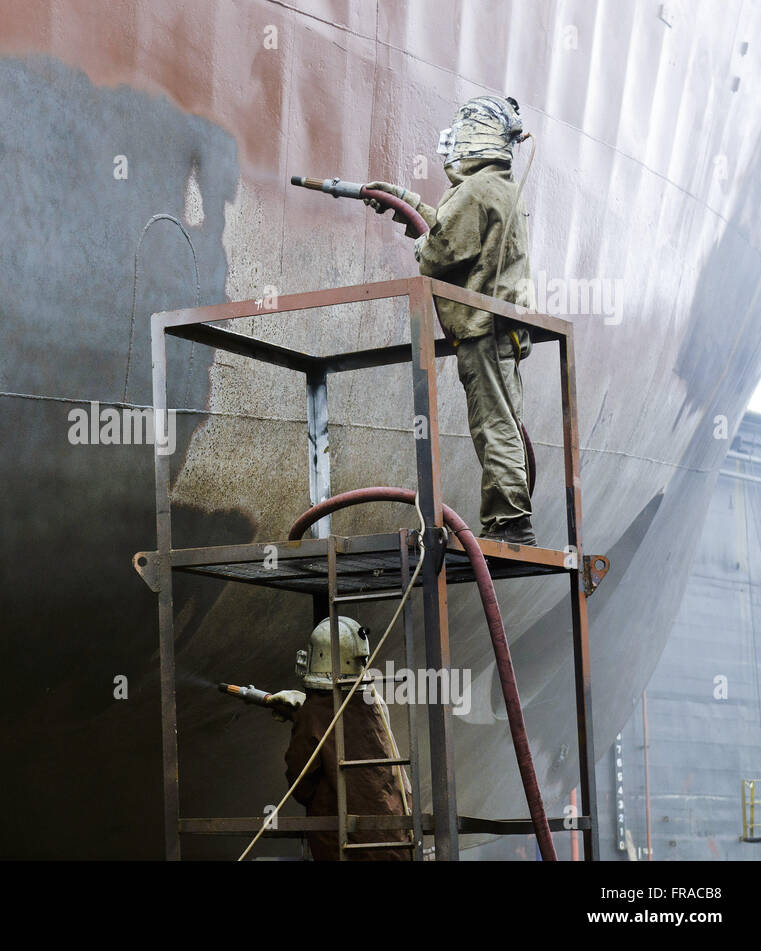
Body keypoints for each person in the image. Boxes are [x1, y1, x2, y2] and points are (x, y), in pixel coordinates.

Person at [363, 95, 537, 546]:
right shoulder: (499, 187)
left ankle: (509, 522)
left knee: (493, 425)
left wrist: (419, 240)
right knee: (505, 421)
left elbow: (439, 252)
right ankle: (510, 516)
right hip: (503, 329)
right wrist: (407, 203)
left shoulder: (475, 191)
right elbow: (455, 232)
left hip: (482, 329)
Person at [269, 617, 412, 860]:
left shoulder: (314, 712)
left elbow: (300, 784)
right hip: (396, 843)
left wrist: (303, 716)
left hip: (348, 849)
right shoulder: (374, 703)